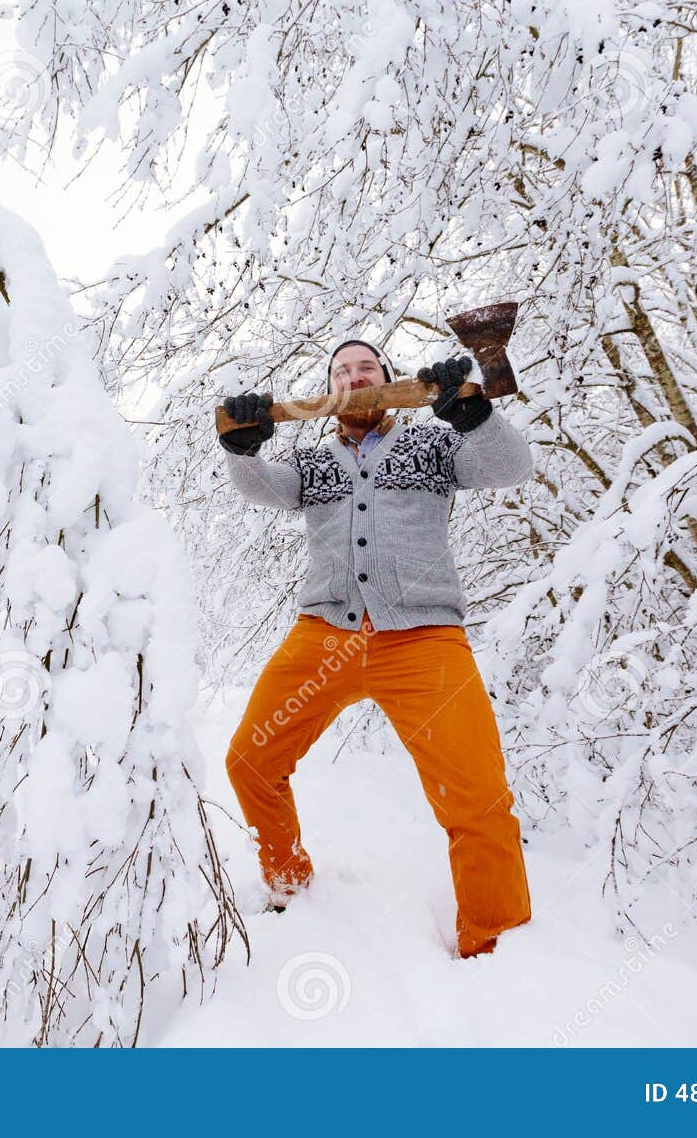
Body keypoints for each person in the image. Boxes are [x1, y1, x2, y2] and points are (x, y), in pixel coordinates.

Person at [216, 339, 534, 959]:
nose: (354, 376)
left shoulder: (433, 447)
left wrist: (475, 417)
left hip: (422, 639)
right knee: (250, 759)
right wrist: (242, 450)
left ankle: (496, 945)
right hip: (325, 636)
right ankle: (287, 882)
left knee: (478, 797)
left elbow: (509, 467)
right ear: (330, 388)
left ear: (388, 379)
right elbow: (263, 487)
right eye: (342, 370)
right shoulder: (313, 462)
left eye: (366, 368)